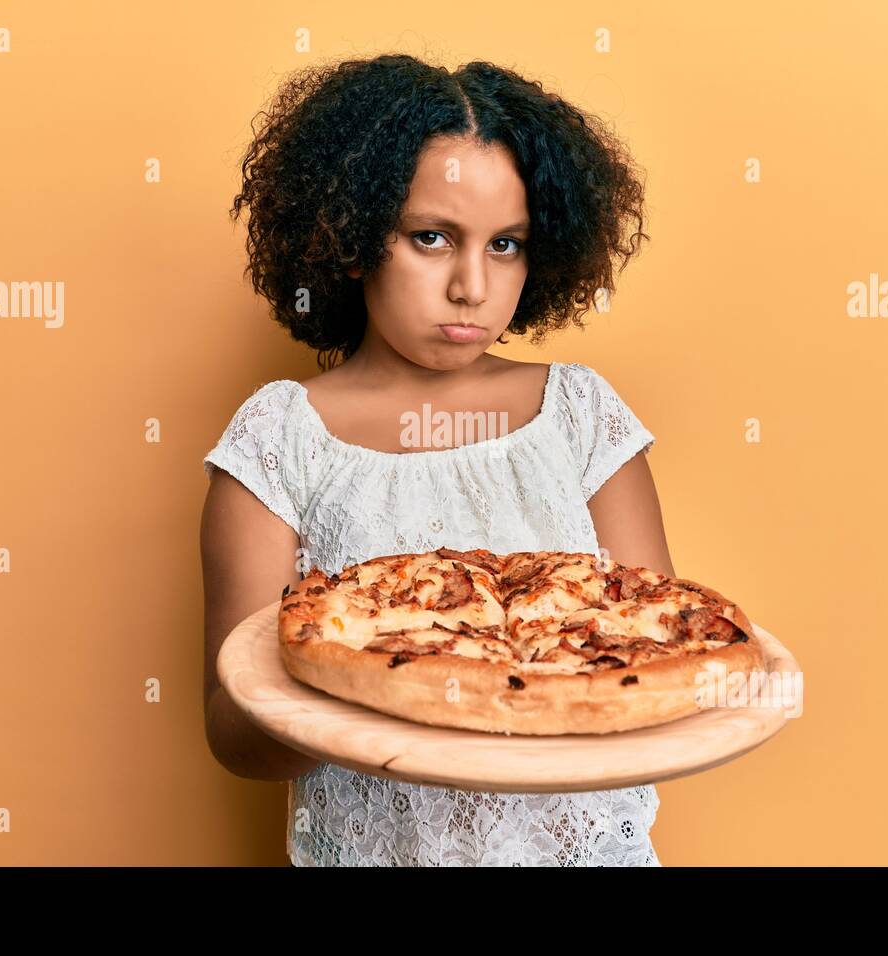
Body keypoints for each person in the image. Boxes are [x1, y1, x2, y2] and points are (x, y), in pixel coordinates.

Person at [200, 53, 675, 866]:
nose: (471, 286)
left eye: (506, 246)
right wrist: (384, 680)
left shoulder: (580, 414)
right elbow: (233, 730)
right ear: (349, 238)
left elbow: (655, 659)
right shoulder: (278, 438)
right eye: (431, 237)